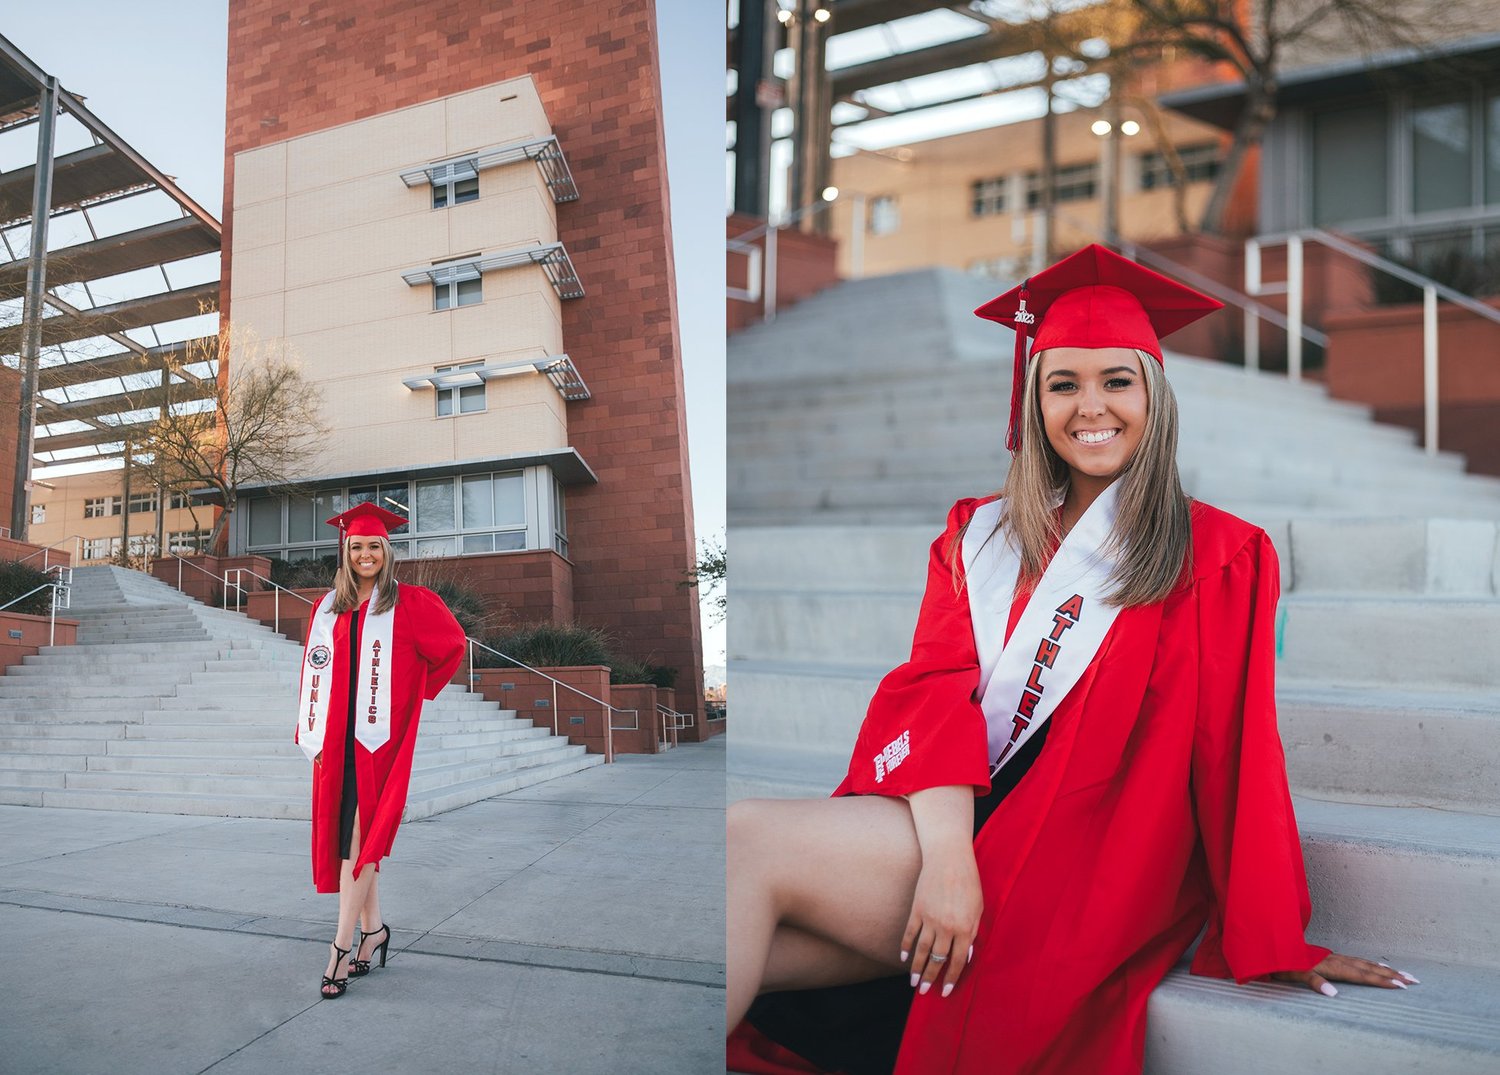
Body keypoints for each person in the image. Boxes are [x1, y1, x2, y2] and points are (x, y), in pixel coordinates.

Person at [726, 245, 1419, 1074]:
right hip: (958, 823)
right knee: (747, 929)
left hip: (1085, 860)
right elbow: (935, 695)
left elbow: (1233, 753)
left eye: (1116, 380)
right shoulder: (977, 537)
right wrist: (949, 862)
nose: (1091, 406)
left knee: (745, 848)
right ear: (1035, 400)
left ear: (1154, 394)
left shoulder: (1220, 555)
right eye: (1064, 384)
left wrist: (1272, 934)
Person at [294, 502, 467, 999]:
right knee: (352, 843)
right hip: (334, 740)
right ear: (345, 552)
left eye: (374, 546)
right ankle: (375, 932)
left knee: (358, 837)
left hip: (376, 741)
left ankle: (339, 948)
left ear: (387, 552)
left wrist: (411, 698)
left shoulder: (410, 602)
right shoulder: (328, 607)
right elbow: (313, 668)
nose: (365, 554)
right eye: (357, 547)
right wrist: (310, 729)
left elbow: (452, 646)